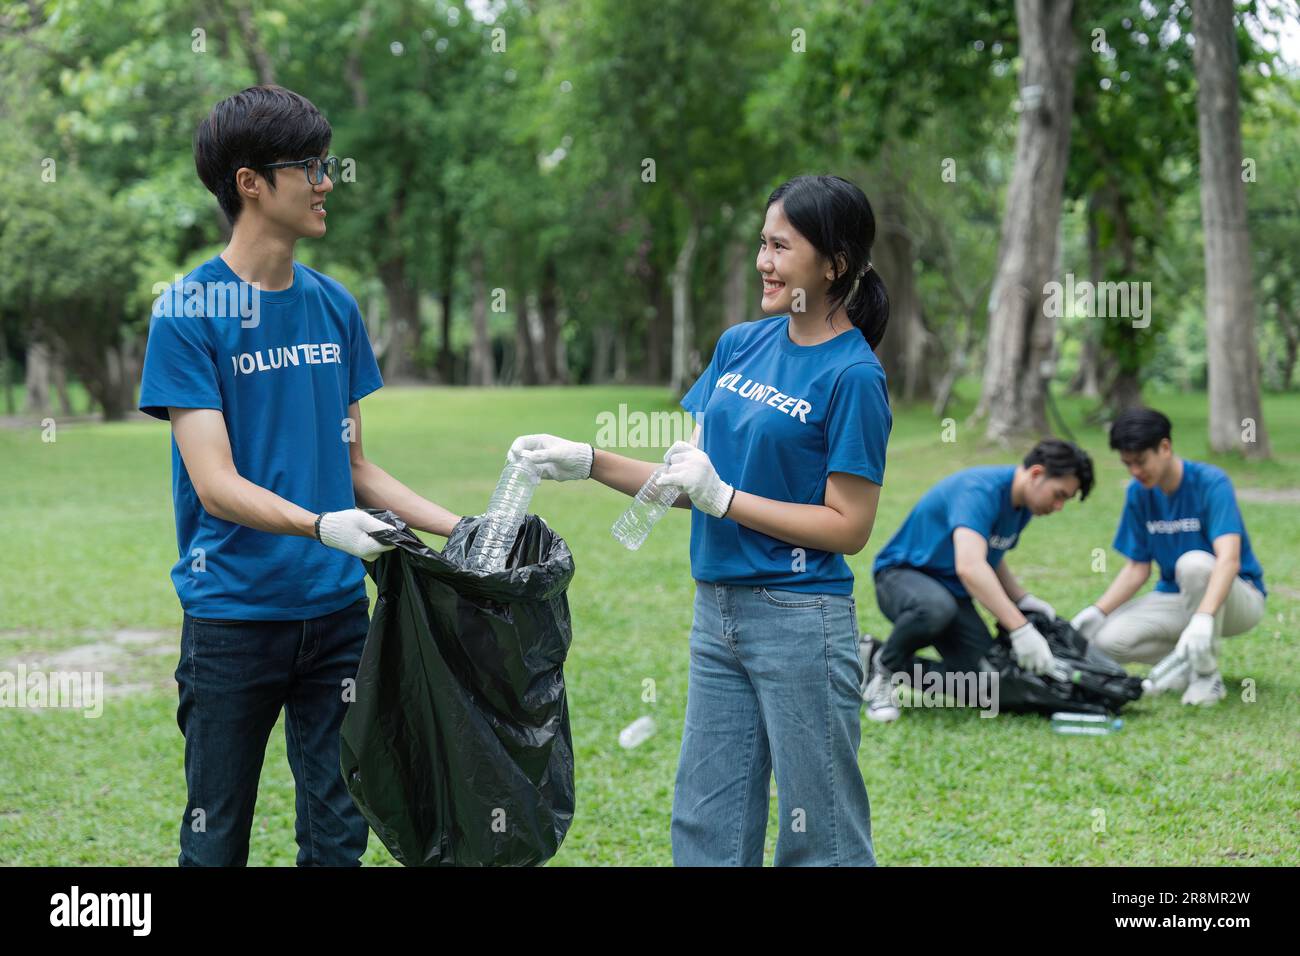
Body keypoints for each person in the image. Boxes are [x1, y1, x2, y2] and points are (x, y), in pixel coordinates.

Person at [510, 175, 892, 866]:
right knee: (706, 827)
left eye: (781, 246)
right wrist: (588, 459)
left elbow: (848, 526)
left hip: (801, 618)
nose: (762, 262)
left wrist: (728, 500)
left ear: (833, 264)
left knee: (822, 837)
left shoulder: (853, 376)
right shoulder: (741, 345)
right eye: (761, 243)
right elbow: (690, 480)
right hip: (717, 615)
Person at [138, 86, 462, 866]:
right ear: (250, 181)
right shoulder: (188, 312)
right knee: (215, 843)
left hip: (338, 620)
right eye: (309, 166)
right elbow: (215, 483)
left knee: (337, 838)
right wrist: (320, 525)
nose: (326, 181)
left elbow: (353, 467)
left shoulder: (334, 307)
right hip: (232, 622)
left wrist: (468, 530)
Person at [863, 440, 1095, 723]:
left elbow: (990, 557)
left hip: (951, 593)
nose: (1058, 506)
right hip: (902, 577)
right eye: (1059, 495)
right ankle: (882, 676)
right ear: (1036, 474)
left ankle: (875, 657)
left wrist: (1022, 599)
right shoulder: (980, 490)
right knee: (936, 608)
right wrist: (1020, 628)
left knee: (989, 685)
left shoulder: (1021, 506)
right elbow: (971, 567)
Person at [1068, 408, 1265, 707]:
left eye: (1141, 461)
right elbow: (1137, 568)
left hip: (1238, 597)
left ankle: (1206, 675)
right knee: (1106, 639)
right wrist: (1098, 611)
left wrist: (1203, 617)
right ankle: (1186, 662)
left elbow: (1229, 559)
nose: (1135, 471)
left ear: (1165, 447)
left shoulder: (1211, 482)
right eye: (1127, 464)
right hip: (1176, 598)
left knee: (1194, 564)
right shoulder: (1138, 493)